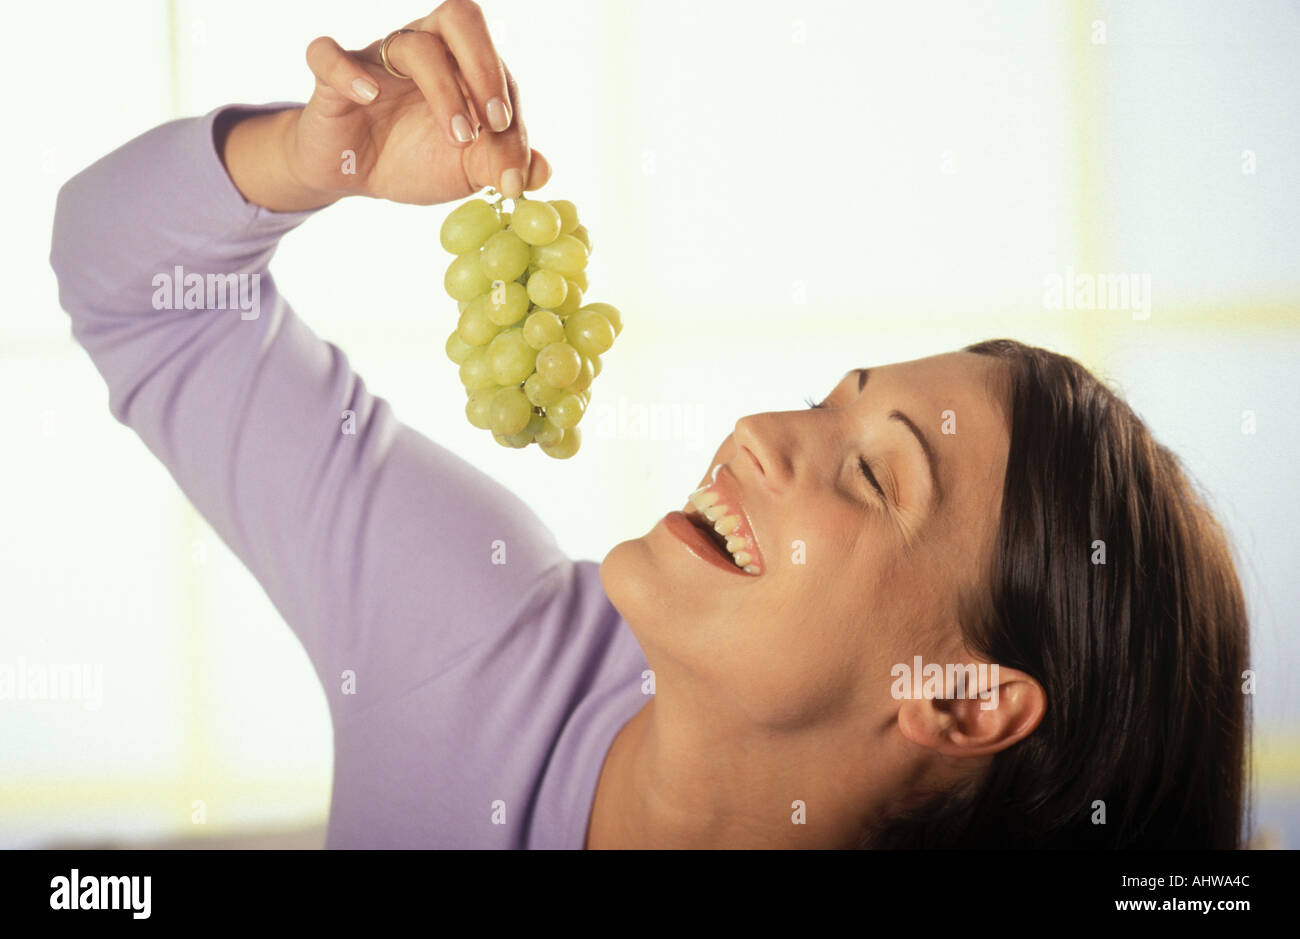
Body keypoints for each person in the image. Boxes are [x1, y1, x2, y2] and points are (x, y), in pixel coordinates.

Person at [49, 1, 1251, 849]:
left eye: (876, 477)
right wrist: (316, 158)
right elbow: (136, 296)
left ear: (959, 703)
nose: (761, 434)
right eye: (832, 400)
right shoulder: (483, 641)